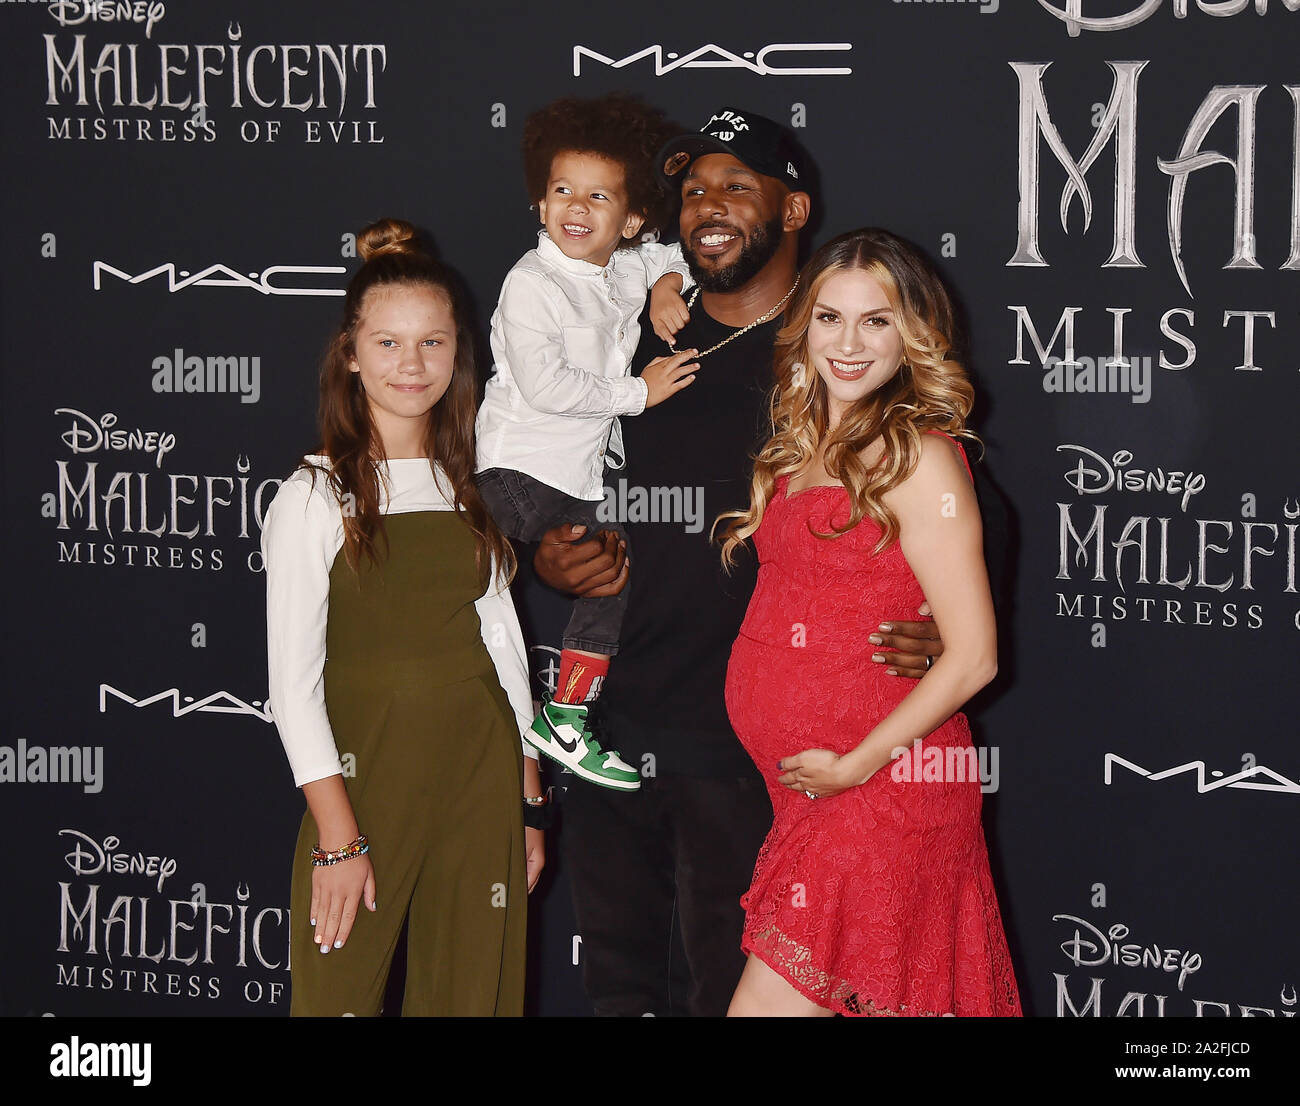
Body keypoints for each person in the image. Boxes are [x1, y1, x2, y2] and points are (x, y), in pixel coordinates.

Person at [533, 107, 976, 1016]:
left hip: (753, 764)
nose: (710, 205)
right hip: (613, 729)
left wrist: (936, 628)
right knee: (620, 987)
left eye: (739, 185)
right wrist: (546, 558)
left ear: (794, 206)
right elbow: (552, 474)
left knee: (723, 987)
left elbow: (961, 516)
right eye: (693, 189)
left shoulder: (834, 364)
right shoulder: (629, 339)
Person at [717, 228, 1022, 1017]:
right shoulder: (800, 445)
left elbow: (975, 658)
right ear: (804, 326)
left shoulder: (920, 456)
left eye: (876, 320)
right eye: (829, 318)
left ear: (913, 333)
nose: (847, 343)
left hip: (884, 791)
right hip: (810, 797)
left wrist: (857, 764)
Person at [262, 218, 545, 1017]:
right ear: (350, 354)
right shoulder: (314, 496)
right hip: (363, 784)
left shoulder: (468, 487)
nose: (411, 365)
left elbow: (502, 644)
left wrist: (525, 792)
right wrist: (338, 838)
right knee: (336, 998)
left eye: (433, 342)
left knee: (471, 997)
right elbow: (293, 686)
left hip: (480, 774)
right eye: (387, 344)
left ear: (459, 353)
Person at [474, 92, 701, 792]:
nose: (576, 206)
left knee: (612, 580)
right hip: (515, 478)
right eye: (562, 190)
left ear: (628, 218)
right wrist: (641, 392)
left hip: (566, 482)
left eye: (598, 196)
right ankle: (535, 722)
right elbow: (547, 388)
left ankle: (564, 716)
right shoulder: (532, 284)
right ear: (541, 206)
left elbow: (677, 251)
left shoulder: (621, 272)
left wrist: (667, 280)